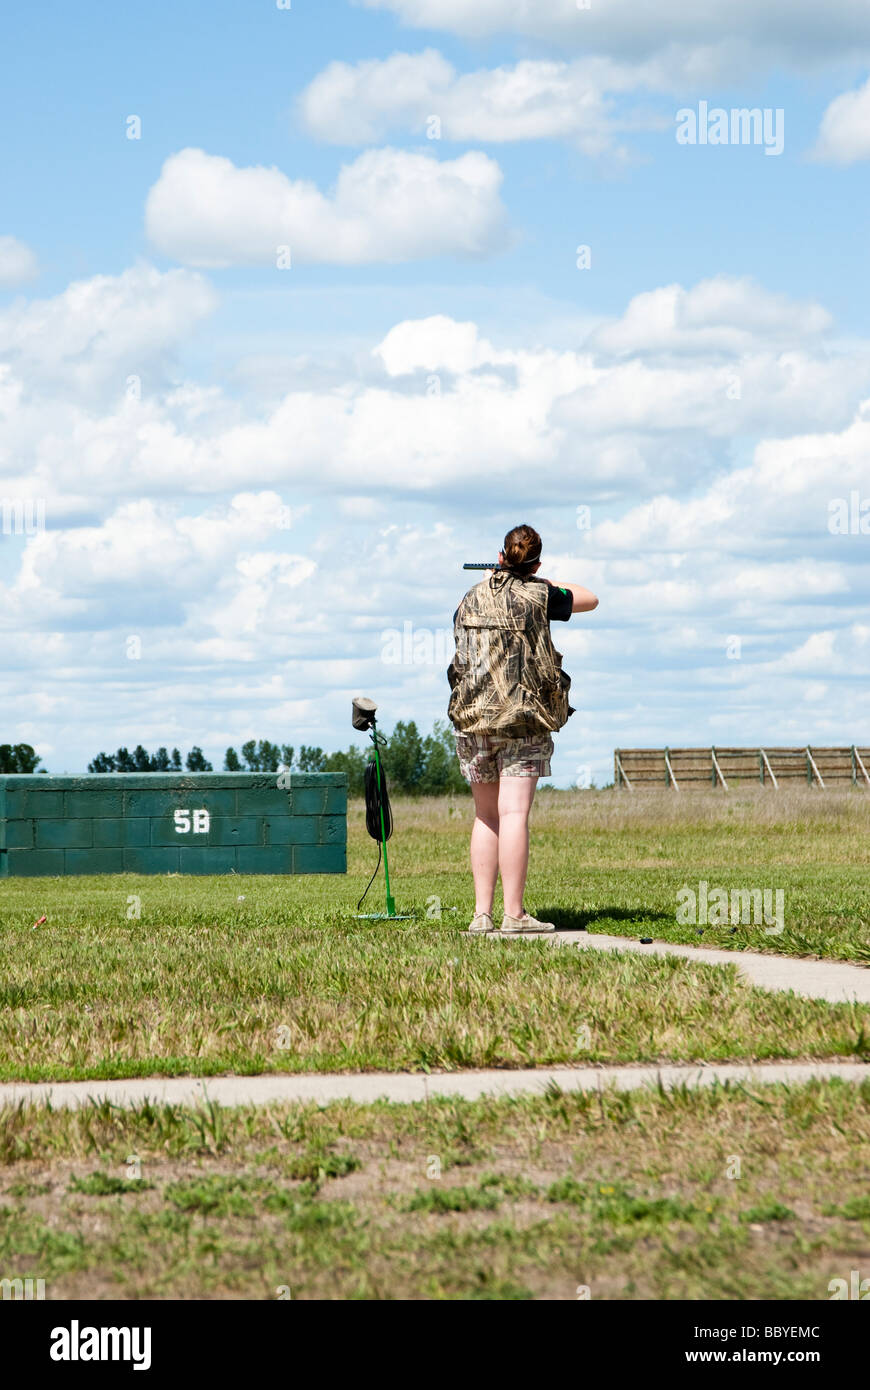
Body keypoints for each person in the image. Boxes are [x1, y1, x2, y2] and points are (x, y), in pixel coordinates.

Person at [447, 524, 599, 935]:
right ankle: (514, 914)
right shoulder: (539, 595)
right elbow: (590, 599)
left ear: (499, 557)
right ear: (535, 563)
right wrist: (539, 580)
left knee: (485, 816)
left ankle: (482, 915)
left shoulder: (468, 598)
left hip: (474, 718)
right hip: (523, 721)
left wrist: (503, 581)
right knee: (513, 814)